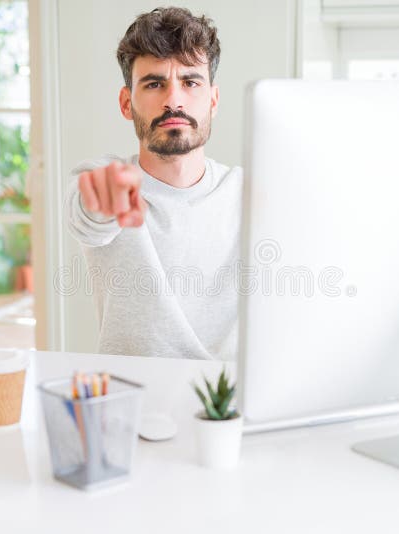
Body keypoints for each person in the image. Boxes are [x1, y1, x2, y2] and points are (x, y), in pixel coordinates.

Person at [64, 7, 242, 361]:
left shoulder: (246, 191)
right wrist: (102, 201)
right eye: (154, 83)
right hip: (131, 401)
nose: (173, 100)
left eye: (190, 82)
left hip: (223, 405)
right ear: (126, 103)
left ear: (213, 100)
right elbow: (87, 215)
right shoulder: (105, 177)